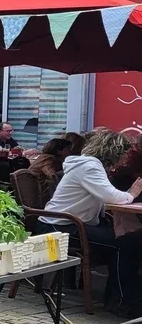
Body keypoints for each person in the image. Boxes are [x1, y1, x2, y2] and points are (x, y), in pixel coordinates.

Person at [40, 131, 142, 312]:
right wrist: (132, 193)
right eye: (123, 155)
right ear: (114, 153)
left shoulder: (88, 165)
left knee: (129, 240)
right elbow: (111, 196)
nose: (124, 159)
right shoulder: (89, 167)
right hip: (60, 226)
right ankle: (123, 301)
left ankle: (118, 297)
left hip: (64, 222)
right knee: (123, 244)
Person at [27, 137, 74, 203]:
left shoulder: (43, 157)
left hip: (33, 193)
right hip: (40, 196)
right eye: (68, 148)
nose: (71, 151)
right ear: (59, 150)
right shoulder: (50, 160)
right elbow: (51, 176)